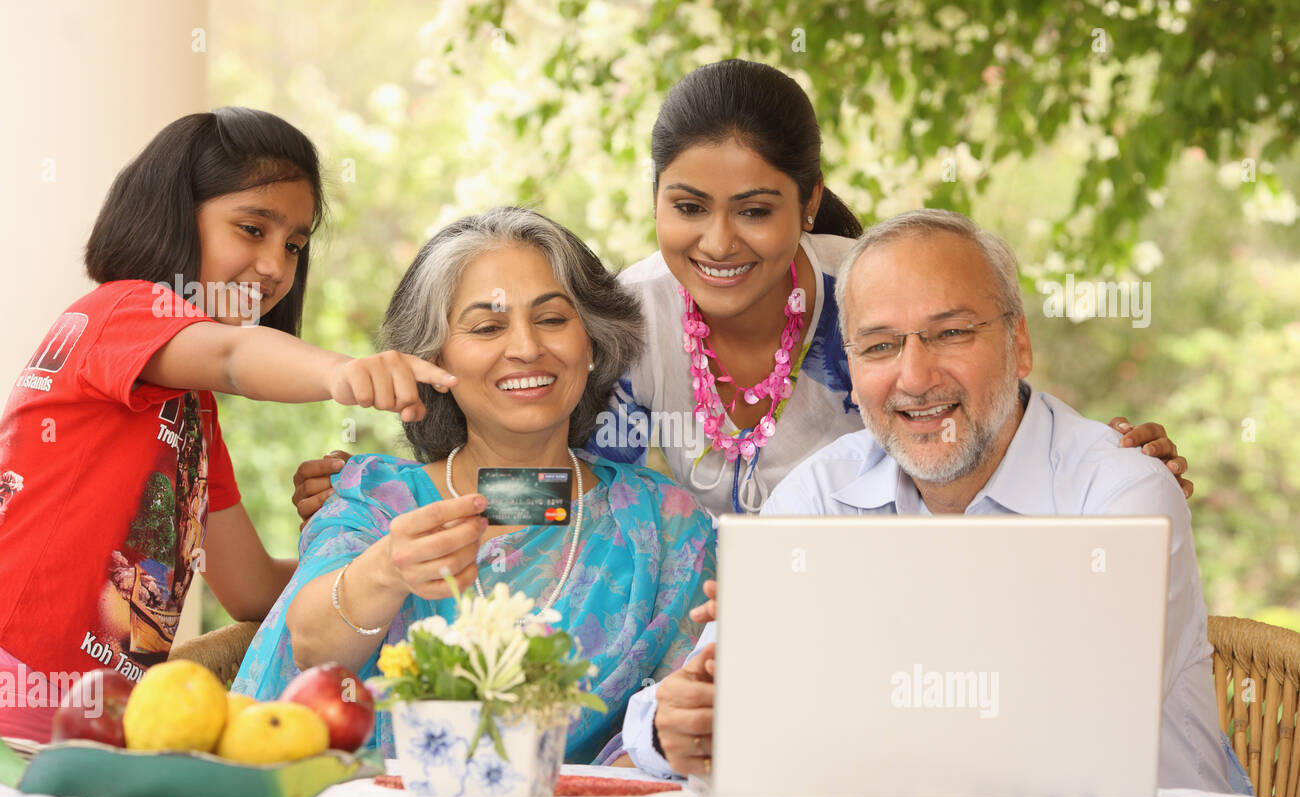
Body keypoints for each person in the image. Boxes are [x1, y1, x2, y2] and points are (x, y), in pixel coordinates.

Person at [291, 60, 1189, 521]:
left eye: (756, 211)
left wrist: (1113, 469)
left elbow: (987, 416)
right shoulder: (616, 322)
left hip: (861, 635)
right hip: (662, 650)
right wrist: (396, 495)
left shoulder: (871, 295)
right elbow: (549, 484)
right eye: (687, 208)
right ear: (654, 201)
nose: (718, 244)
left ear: (805, 203)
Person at [626, 208, 1250, 796]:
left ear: (1019, 344)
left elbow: (1057, 733)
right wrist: (670, 725)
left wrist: (829, 660)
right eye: (879, 346)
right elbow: (716, 687)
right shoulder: (819, 496)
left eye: (950, 333)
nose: (916, 377)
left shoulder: (1120, 494)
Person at [0, 107, 452, 742]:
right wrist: (345, 372)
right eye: (251, 229)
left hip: (97, 716)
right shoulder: (120, 312)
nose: (274, 266)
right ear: (171, 216)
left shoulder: (188, 411)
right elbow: (236, 357)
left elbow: (250, 591)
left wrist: (366, 543)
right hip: (18, 684)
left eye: (293, 245)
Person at [233, 207, 715, 763]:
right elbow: (311, 645)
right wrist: (388, 568)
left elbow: (680, 727)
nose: (527, 348)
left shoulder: (665, 525)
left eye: (554, 319)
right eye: (487, 327)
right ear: (432, 358)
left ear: (593, 340)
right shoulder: (376, 500)